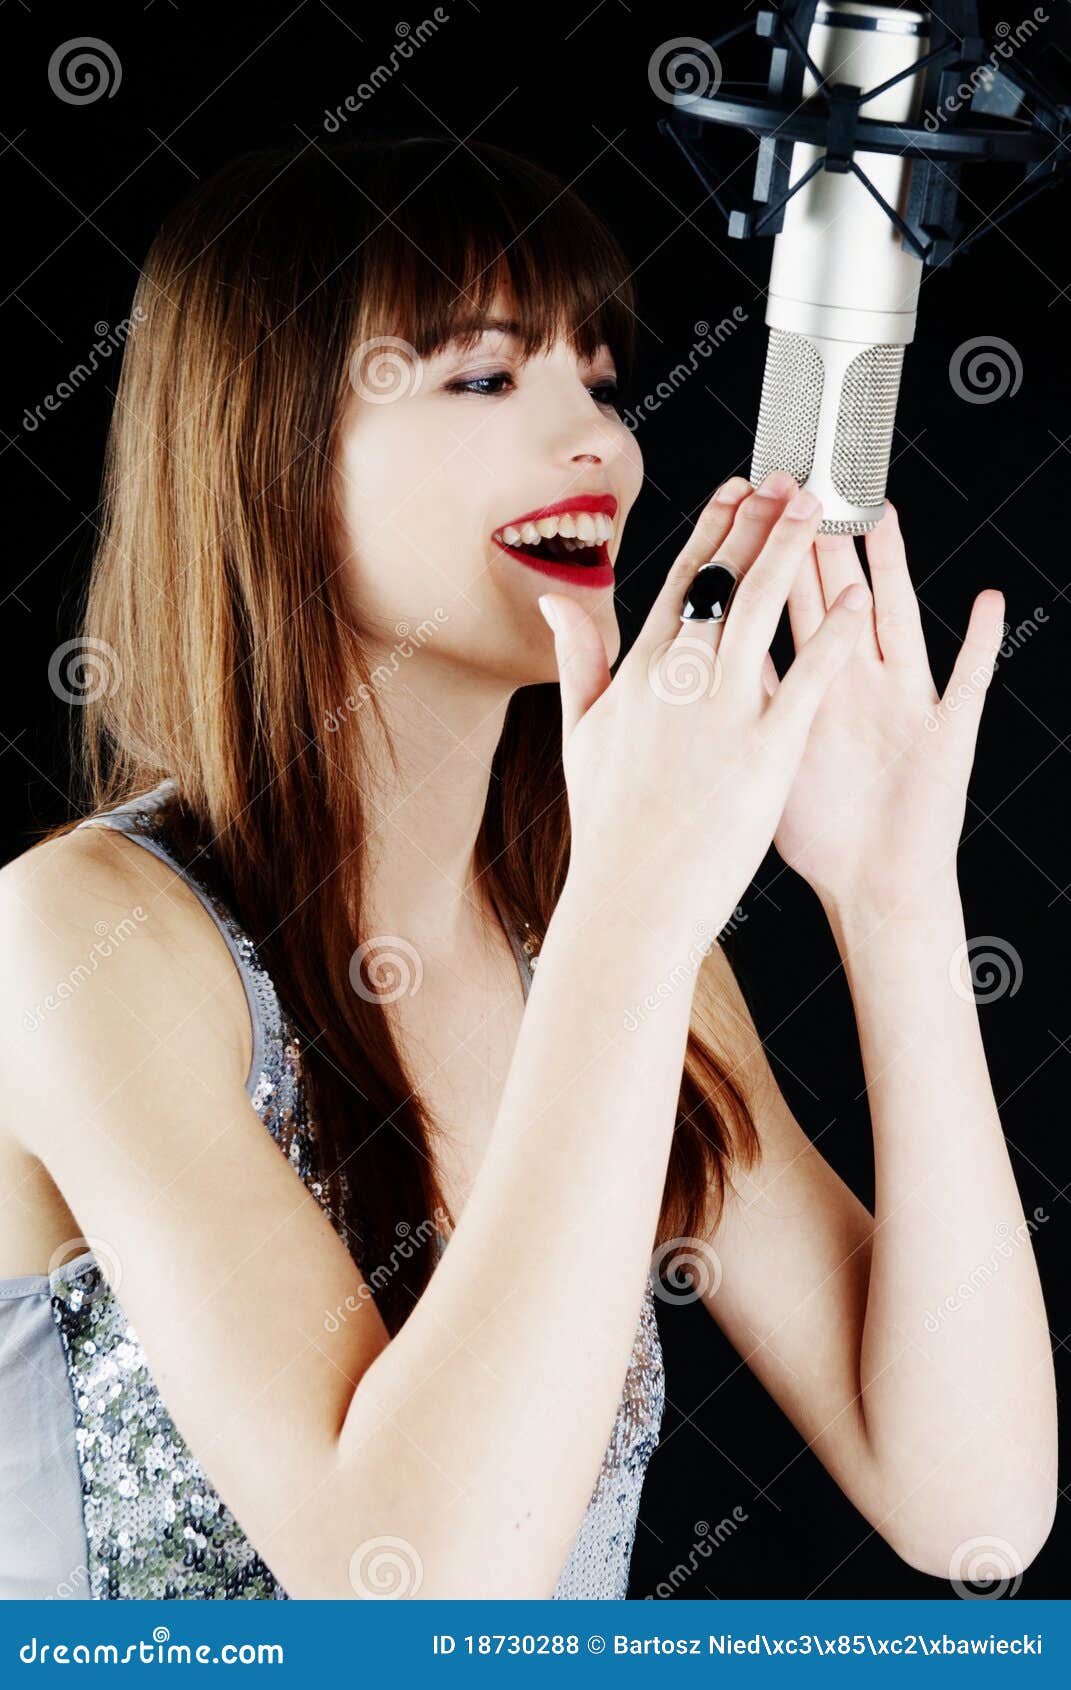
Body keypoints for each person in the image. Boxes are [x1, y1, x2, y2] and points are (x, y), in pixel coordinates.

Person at [0, 136, 1056, 1601]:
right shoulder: (79, 940)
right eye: (486, 378)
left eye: (600, 383)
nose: (605, 447)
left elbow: (974, 1506)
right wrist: (628, 926)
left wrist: (896, 900)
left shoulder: (600, 927)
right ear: (267, 450)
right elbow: (407, 1598)